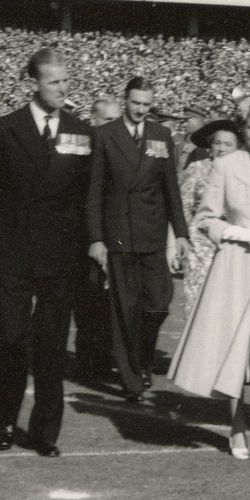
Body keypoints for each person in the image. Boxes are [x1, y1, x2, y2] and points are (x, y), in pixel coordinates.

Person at [0, 49, 97, 455]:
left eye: (65, 80)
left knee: (52, 344)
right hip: (13, 251)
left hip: (60, 255)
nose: (62, 88)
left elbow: (85, 197)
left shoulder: (81, 131)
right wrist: (11, 231)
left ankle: (45, 431)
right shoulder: (4, 130)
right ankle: (6, 419)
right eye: (53, 82)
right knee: (9, 339)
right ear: (34, 83)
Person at [166, 104, 250, 468]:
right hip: (235, 263)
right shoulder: (226, 166)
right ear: (244, 130)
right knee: (236, 347)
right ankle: (237, 427)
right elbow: (206, 216)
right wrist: (234, 232)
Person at [86, 76, 186, 403]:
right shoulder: (104, 135)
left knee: (158, 303)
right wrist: (96, 238)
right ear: (125, 100)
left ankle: (141, 359)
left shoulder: (162, 135)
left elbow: (171, 189)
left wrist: (181, 233)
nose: (141, 110)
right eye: (135, 104)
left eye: (146, 104)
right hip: (118, 237)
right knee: (124, 310)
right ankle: (131, 380)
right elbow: (95, 192)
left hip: (152, 234)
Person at [179, 117, 243, 318]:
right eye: (217, 143)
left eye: (228, 144)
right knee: (200, 309)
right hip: (201, 249)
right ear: (210, 145)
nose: (221, 148)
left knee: (229, 310)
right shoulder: (197, 169)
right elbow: (184, 207)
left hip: (234, 247)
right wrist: (185, 241)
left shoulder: (244, 172)